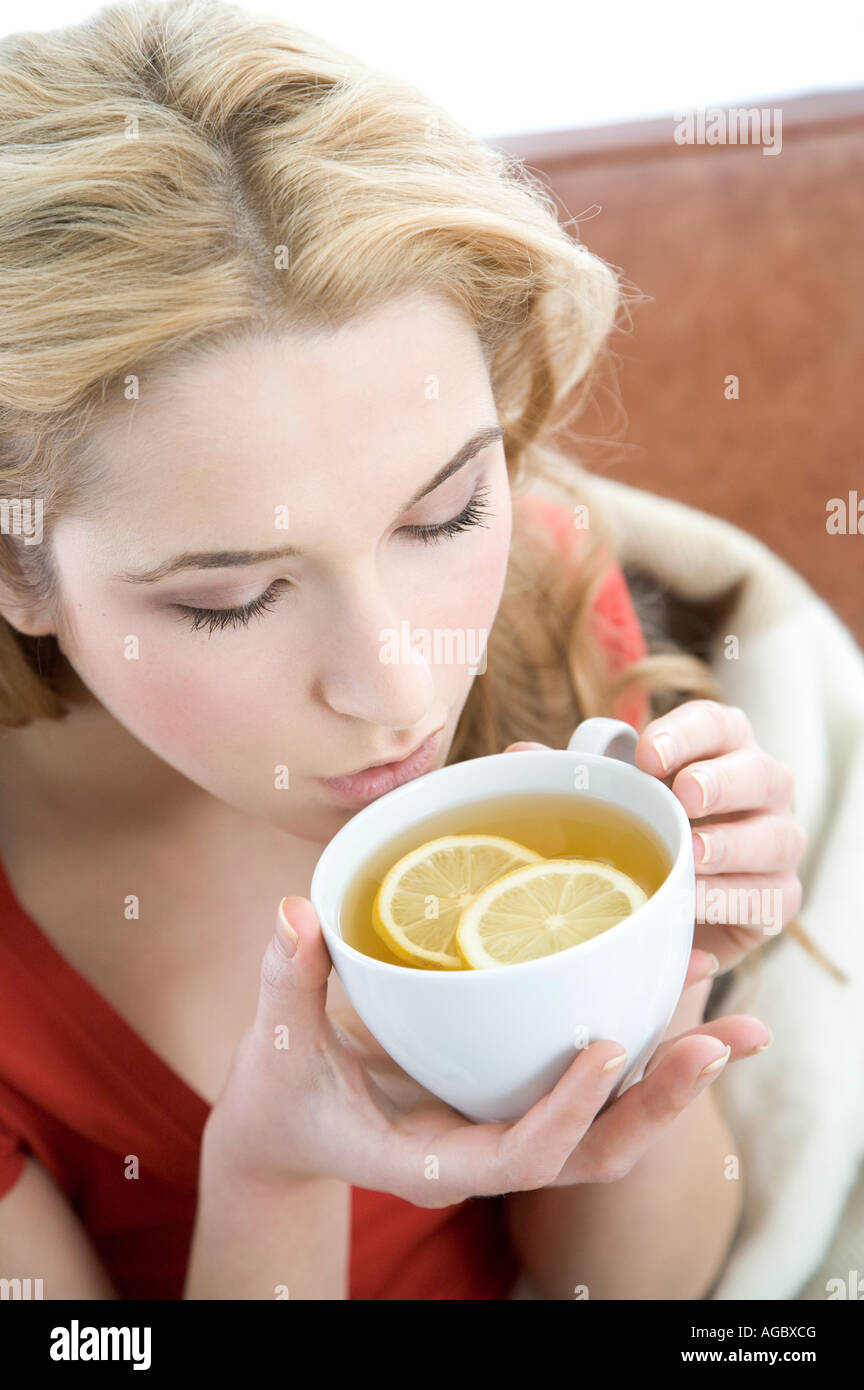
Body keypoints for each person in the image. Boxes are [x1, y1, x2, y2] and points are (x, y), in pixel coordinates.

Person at [0, 0, 811, 1300]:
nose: (400, 682)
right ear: (19, 565)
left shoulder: (551, 613)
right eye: (229, 599)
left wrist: (659, 971)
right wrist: (270, 1171)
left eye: (443, 513)